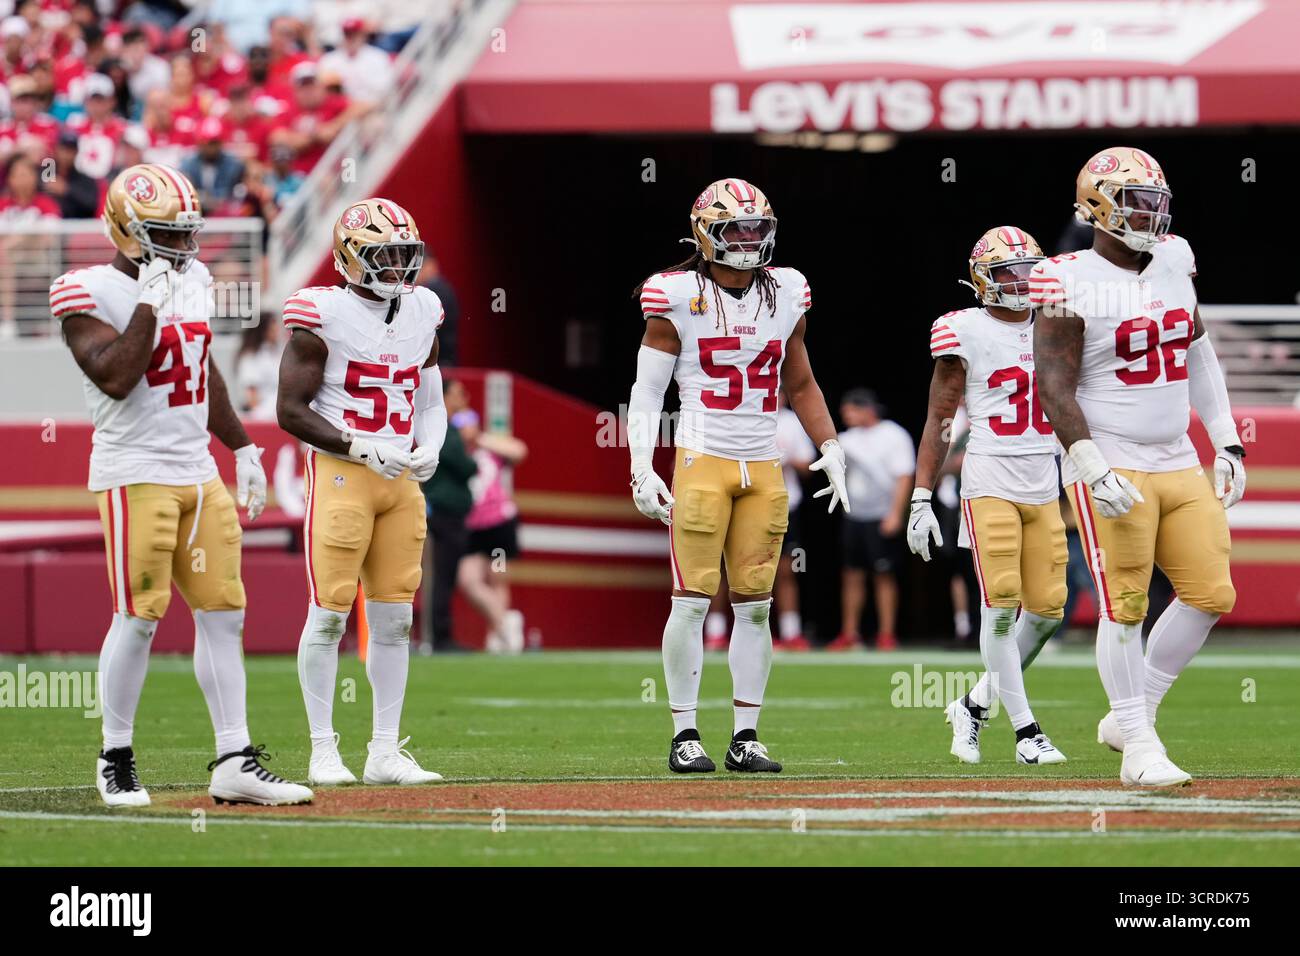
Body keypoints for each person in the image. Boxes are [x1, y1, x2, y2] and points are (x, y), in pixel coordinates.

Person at [52, 163, 308, 808]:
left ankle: (234, 759)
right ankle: (115, 757)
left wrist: (243, 445)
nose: (185, 248)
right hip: (135, 474)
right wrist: (149, 298)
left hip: (199, 473)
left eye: (189, 233)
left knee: (225, 615)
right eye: (169, 234)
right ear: (127, 230)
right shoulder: (85, 289)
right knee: (139, 617)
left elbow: (201, 367)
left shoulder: (192, 277)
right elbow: (115, 373)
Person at [1032, 147, 1244, 787]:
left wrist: (1227, 441)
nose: (1153, 213)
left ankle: (1134, 714)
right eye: (1136, 202)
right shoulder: (1064, 276)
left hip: (1177, 456)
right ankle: (1138, 747)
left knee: (1210, 592)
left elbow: (1198, 353)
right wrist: (1092, 468)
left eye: (1157, 199)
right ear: (1098, 207)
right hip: (1113, 460)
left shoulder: (1176, 258)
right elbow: (1055, 387)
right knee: (1124, 605)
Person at [628, 177, 849, 774]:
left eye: (759, 229)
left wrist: (830, 443)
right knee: (693, 600)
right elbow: (648, 389)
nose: (750, 242)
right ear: (706, 234)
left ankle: (746, 734)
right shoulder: (673, 294)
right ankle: (683, 733)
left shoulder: (789, 292)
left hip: (764, 464)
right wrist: (640, 465)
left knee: (755, 606)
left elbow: (799, 382)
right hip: (703, 459)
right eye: (737, 230)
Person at [277, 197, 447, 787]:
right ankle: (323, 750)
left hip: (401, 481)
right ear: (350, 257)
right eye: (385, 254)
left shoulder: (424, 308)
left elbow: (430, 398)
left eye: (405, 253)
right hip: (342, 475)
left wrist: (433, 442)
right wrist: (358, 446)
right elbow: (289, 411)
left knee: (396, 619)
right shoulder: (321, 313)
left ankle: (383, 751)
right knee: (328, 616)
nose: (399, 265)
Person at [907, 226, 1068, 767]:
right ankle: (1027, 732)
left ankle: (973, 706)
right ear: (983, 280)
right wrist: (921, 496)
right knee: (999, 608)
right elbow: (940, 417)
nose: (1022, 283)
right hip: (990, 482)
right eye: (1009, 273)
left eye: (1029, 271)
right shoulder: (964, 330)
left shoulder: (1060, 324)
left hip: (1044, 482)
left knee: (1046, 611)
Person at [831, 389, 913, 651]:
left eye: (850, 411)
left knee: (883, 574)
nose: (846, 416)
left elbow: (903, 476)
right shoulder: (844, 439)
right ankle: (850, 633)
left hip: (882, 516)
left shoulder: (894, 434)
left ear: (867, 410)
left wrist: (895, 514)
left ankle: (886, 634)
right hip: (854, 516)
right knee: (851, 574)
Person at [459, 408, 528, 654]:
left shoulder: (489, 450)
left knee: (497, 577)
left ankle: (496, 635)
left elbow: (519, 451)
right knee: (469, 580)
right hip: (473, 528)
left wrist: (482, 439)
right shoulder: (456, 453)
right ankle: (504, 623)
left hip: (498, 524)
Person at [421, 376, 478, 652]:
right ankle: (440, 637)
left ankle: (439, 635)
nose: (463, 398)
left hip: (444, 511)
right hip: (446, 513)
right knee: (444, 575)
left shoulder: (444, 427)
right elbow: (466, 467)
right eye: (457, 393)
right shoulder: (445, 429)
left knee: (443, 575)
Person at [773, 394, 815, 650]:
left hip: (786, 503)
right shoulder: (741, 414)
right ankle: (720, 631)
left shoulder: (791, 421)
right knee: (735, 569)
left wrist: (785, 458)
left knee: (787, 569)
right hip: (745, 500)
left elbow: (808, 463)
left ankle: (790, 632)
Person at [44, 128, 100, 218]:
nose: (66, 155)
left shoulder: (86, 180)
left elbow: (91, 205)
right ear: (56, 150)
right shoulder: (45, 174)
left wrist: (66, 190)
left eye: (71, 150)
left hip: (76, 228)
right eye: (63, 149)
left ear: (77, 152)